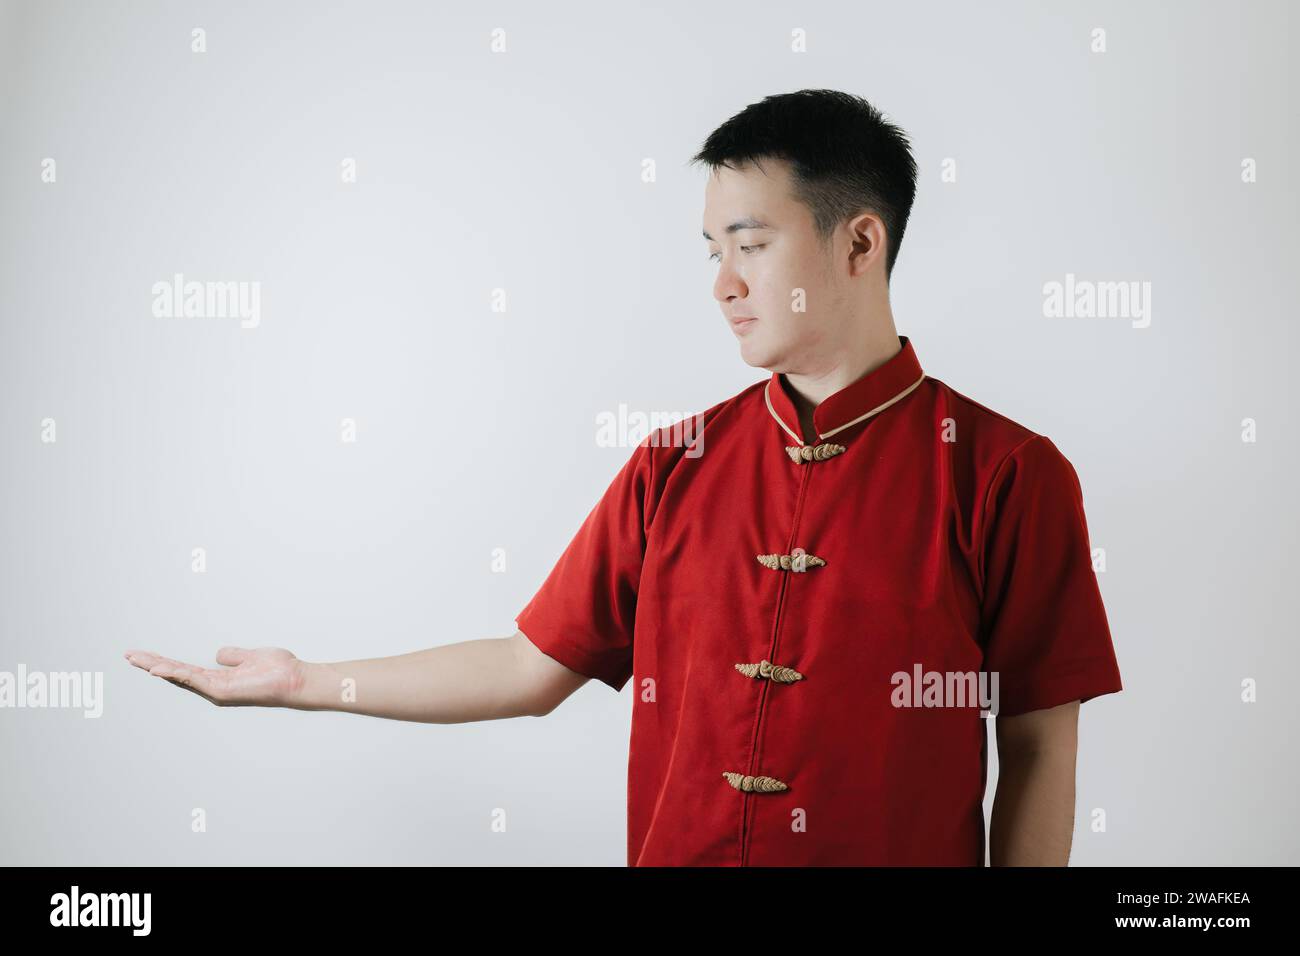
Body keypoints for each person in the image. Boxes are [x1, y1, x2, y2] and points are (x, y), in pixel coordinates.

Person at [126, 89, 1122, 867]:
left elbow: (1040, 747)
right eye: (710, 249)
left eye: (751, 243)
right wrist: (307, 681)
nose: (722, 282)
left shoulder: (1007, 474)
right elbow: (527, 667)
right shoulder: (671, 464)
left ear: (858, 240)